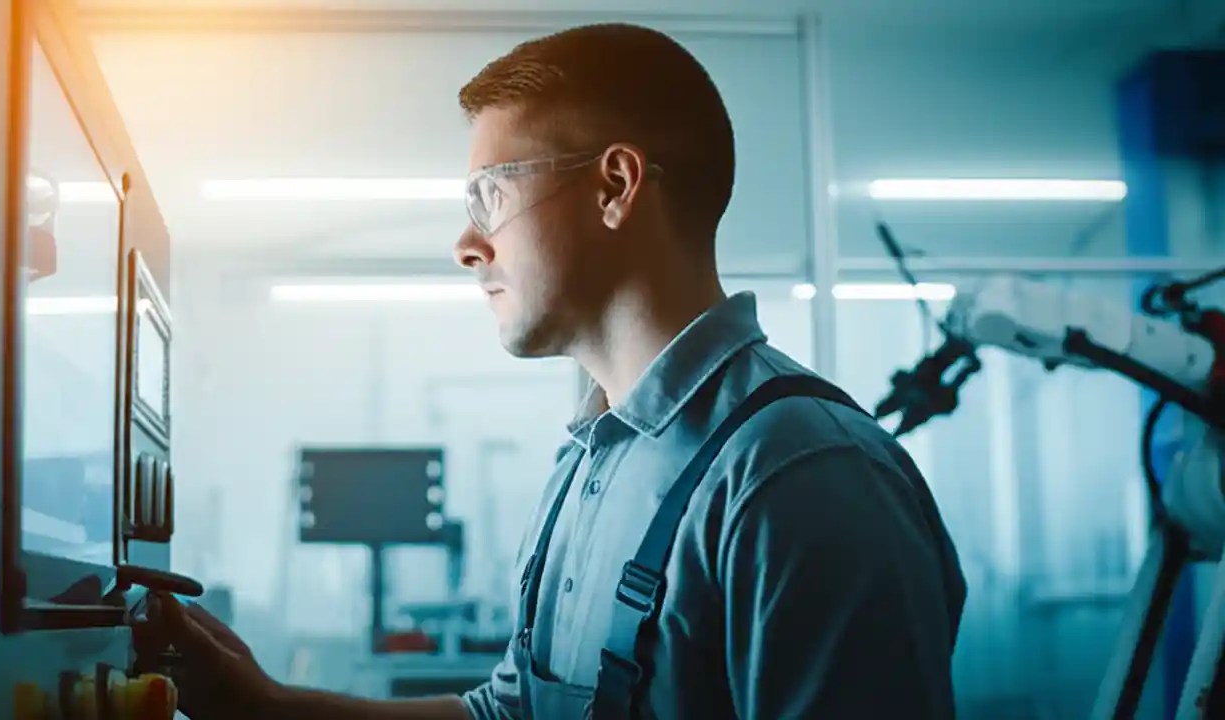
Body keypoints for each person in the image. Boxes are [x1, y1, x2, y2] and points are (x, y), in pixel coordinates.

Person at [157, 22, 967, 720]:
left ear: (614, 186)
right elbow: (516, 712)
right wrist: (264, 708)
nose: (465, 245)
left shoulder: (800, 480)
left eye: (489, 197)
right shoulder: (591, 463)